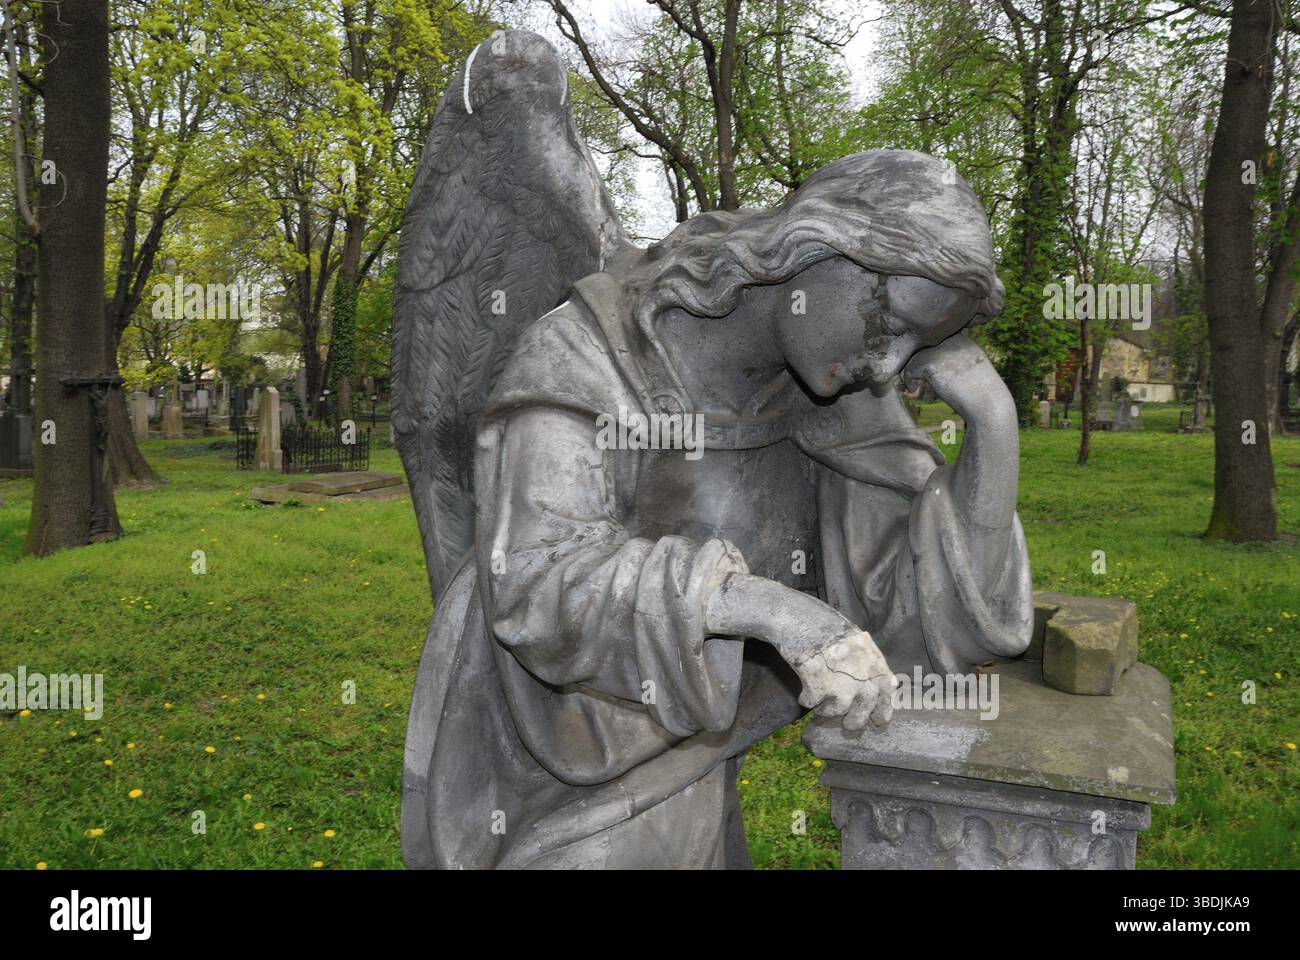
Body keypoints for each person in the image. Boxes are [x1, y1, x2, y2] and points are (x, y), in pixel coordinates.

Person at [403, 149, 1032, 869]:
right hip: (552, 754)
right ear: (817, 250)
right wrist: (773, 611)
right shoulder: (587, 356)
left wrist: (993, 423)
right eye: (886, 321)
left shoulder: (833, 394)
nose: (889, 365)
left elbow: (938, 618)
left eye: (918, 343)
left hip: (689, 756)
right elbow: (538, 578)